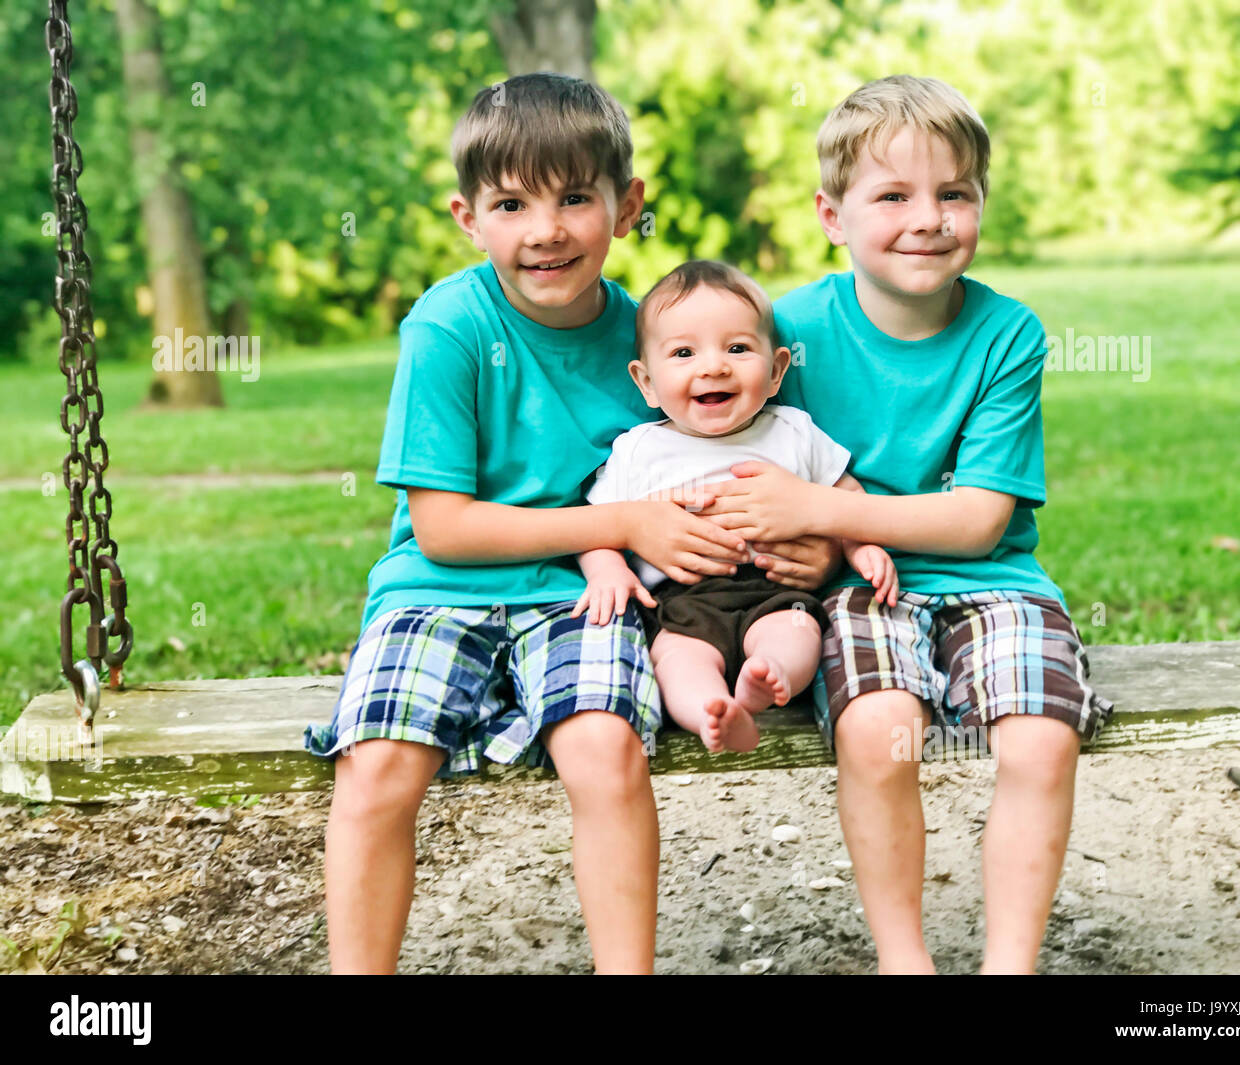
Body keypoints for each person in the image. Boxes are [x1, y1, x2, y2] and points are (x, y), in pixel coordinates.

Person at [302, 73, 840, 974]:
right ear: (468, 216)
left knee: (604, 751)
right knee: (381, 764)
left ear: (627, 206)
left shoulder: (659, 338)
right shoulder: (448, 327)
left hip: (585, 601)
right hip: (436, 594)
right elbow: (443, 530)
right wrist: (629, 521)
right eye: (511, 202)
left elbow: (765, 458)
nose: (545, 229)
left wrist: (818, 543)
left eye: (575, 197)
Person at [699, 75, 1114, 974]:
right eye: (893, 195)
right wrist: (788, 540)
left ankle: (1013, 962)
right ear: (831, 214)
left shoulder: (1008, 333)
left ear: (979, 205)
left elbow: (976, 521)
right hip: (859, 592)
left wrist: (820, 508)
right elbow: (729, 462)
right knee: (876, 730)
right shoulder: (785, 332)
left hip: (992, 581)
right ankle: (903, 958)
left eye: (953, 193)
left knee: (1042, 736)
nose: (928, 218)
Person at [576, 260, 898, 754]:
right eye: (684, 352)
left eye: (738, 348)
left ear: (775, 371)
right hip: (682, 604)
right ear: (646, 382)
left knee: (796, 636)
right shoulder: (638, 449)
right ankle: (713, 711)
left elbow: (844, 495)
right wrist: (604, 573)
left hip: (774, 591)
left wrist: (861, 546)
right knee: (676, 661)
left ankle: (763, 681)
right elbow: (596, 527)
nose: (713, 366)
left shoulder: (792, 431)